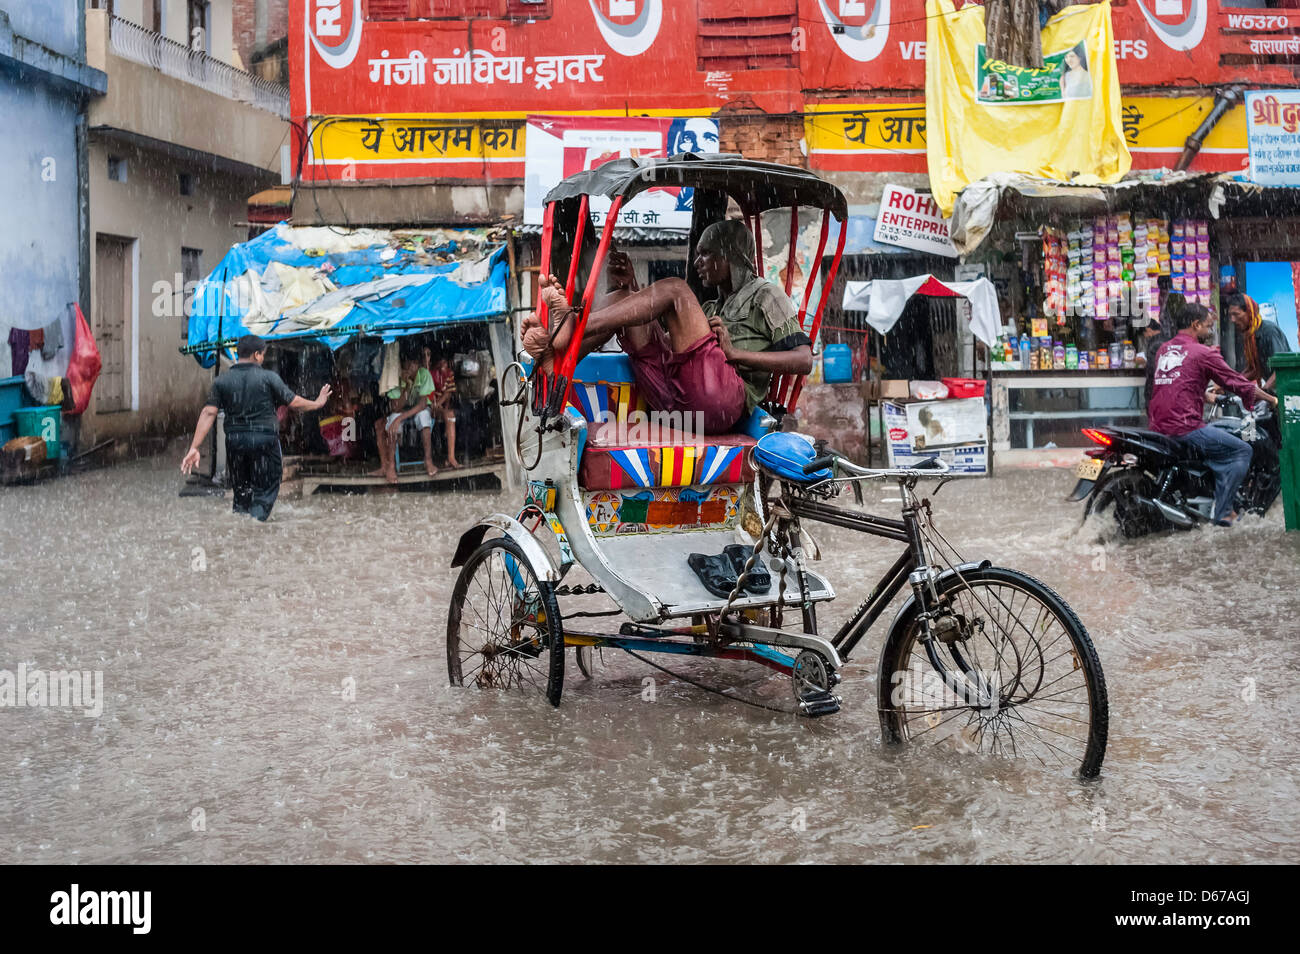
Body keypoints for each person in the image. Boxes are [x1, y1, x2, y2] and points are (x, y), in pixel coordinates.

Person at [521, 219, 812, 434]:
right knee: (624, 299)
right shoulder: (710, 308)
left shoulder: (766, 295)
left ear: (730, 254)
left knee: (675, 289)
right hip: (674, 401)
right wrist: (632, 286)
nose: (698, 262)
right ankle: (557, 361)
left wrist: (735, 354)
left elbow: (803, 360)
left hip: (719, 405)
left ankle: (577, 326)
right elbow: (652, 331)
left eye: (706, 253)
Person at [1147, 303, 1277, 526]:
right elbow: (1237, 382)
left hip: (1158, 425)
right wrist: (1271, 399)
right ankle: (1224, 513)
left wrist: (1207, 396)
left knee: (1216, 436)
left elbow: (1176, 383)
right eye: (1208, 326)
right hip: (1184, 426)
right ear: (1195, 325)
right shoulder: (1202, 352)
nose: (1210, 331)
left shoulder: (1164, 349)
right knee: (1241, 449)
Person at [181, 334, 331, 521]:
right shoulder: (269, 378)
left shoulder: (222, 381)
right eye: (262, 355)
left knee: (241, 492)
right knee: (265, 489)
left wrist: (194, 447)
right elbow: (294, 402)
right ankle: (256, 525)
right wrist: (317, 403)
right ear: (257, 355)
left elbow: (208, 413)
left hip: (235, 443)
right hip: (264, 441)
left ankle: (242, 528)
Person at [372, 352, 438, 482]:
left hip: (418, 409)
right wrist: (406, 386)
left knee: (424, 416)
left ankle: (428, 460)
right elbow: (396, 408)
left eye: (412, 364)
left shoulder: (424, 374)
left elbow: (422, 404)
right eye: (406, 364)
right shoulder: (396, 378)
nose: (409, 367)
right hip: (402, 410)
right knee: (392, 421)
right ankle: (391, 466)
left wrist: (400, 418)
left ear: (418, 365)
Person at [1223, 292, 1292, 392]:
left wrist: (1264, 392)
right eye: (1230, 315)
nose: (1232, 320)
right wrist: (1230, 384)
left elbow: (1282, 369)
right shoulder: (1251, 336)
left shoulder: (1269, 332)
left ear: (1249, 312)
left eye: (1236, 314)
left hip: (1290, 392)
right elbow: (1255, 370)